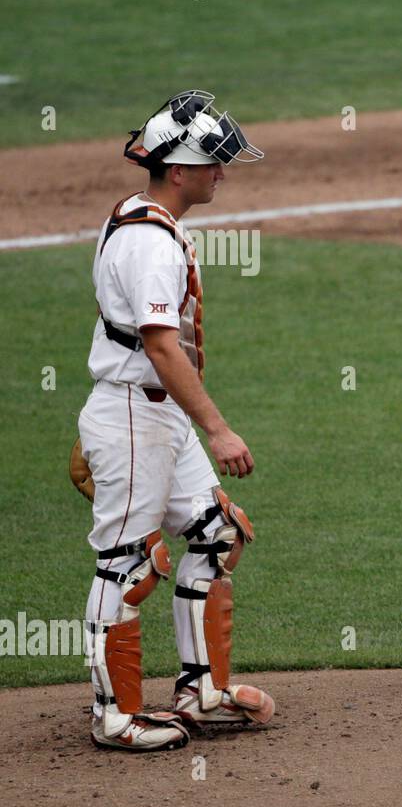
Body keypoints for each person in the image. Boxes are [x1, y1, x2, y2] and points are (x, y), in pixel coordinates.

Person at [77, 90, 272, 752]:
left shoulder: (148, 217)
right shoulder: (148, 241)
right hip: (135, 416)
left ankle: (202, 693)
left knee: (217, 533)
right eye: (213, 162)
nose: (223, 172)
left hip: (155, 417)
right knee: (128, 566)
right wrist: (217, 428)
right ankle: (115, 715)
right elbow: (160, 345)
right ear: (179, 169)